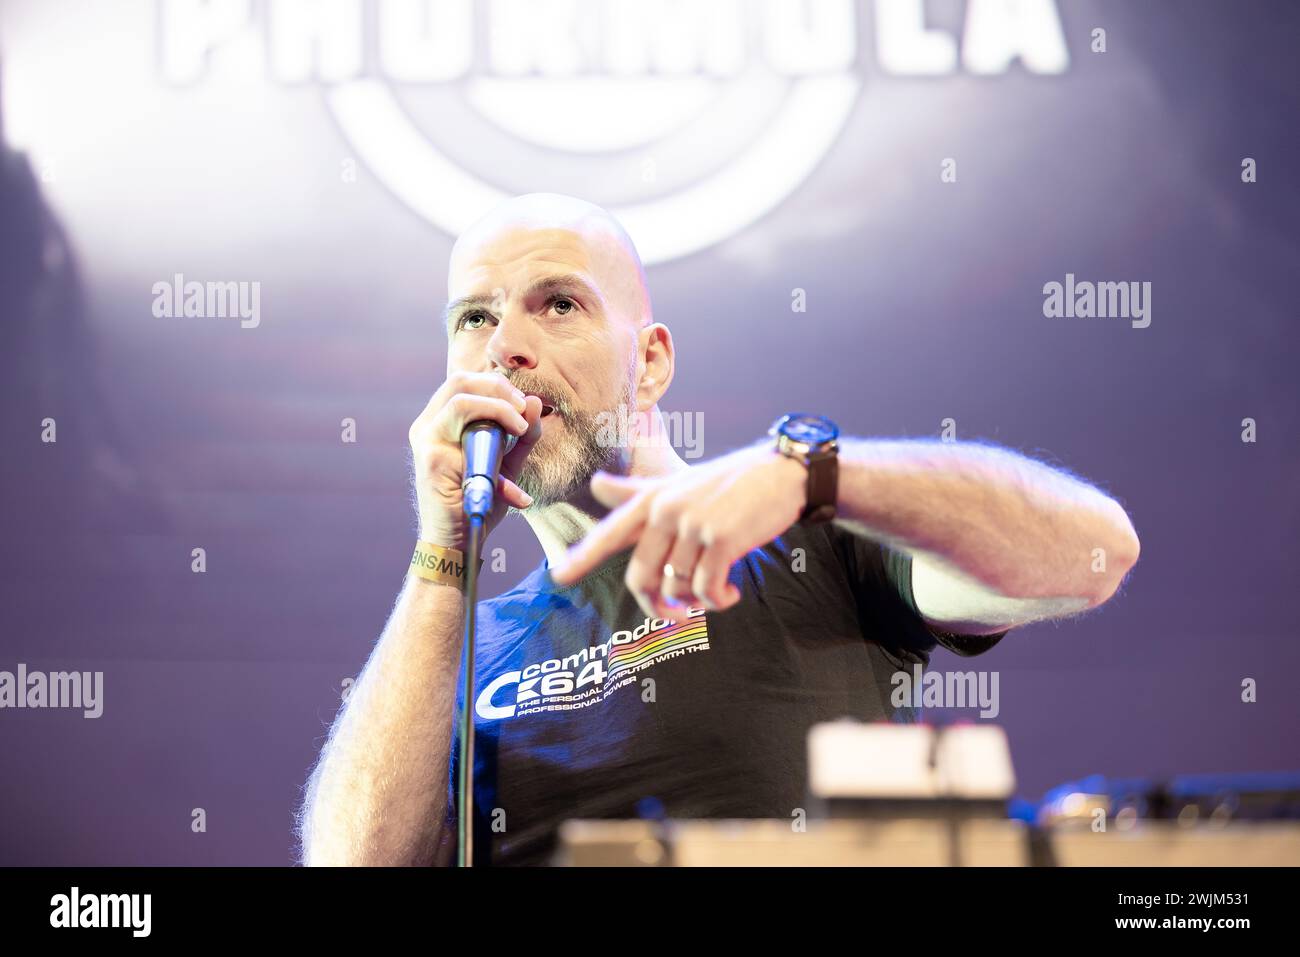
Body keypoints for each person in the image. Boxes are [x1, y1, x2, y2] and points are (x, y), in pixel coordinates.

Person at [296, 193, 1140, 866]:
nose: (503, 346)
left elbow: (1094, 554)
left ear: (652, 360)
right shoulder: (453, 644)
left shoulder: (808, 533)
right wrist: (442, 554)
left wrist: (814, 474)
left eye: (557, 304)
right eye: (472, 319)